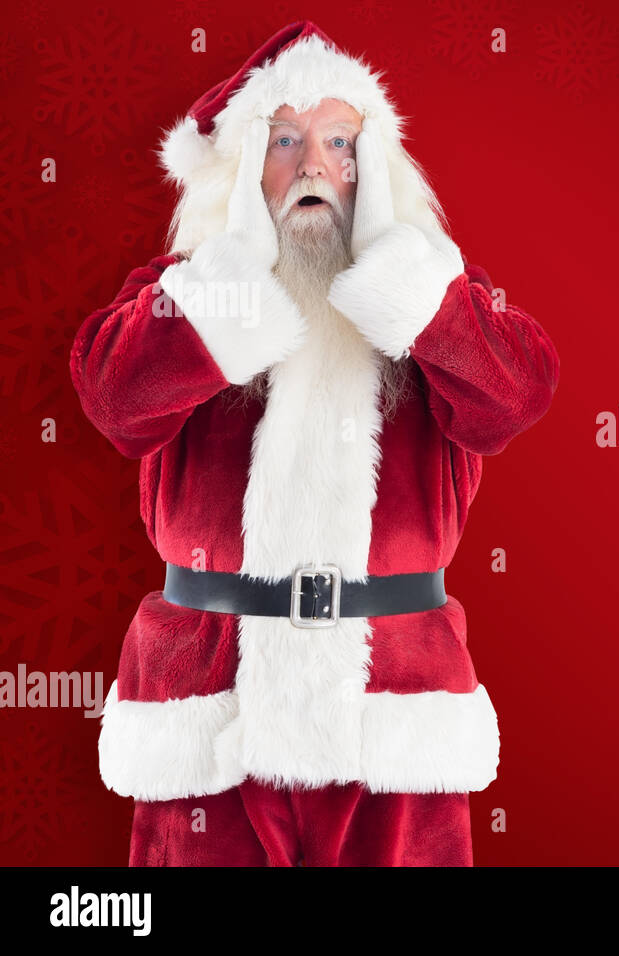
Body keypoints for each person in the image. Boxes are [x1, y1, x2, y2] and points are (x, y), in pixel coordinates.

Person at [68, 21, 559, 866]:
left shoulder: (442, 304)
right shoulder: (175, 296)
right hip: (210, 713)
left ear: (373, 170)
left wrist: (400, 271)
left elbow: (516, 398)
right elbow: (114, 403)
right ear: (242, 164)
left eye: (339, 140)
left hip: (395, 715)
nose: (313, 167)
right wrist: (233, 274)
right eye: (284, 139)